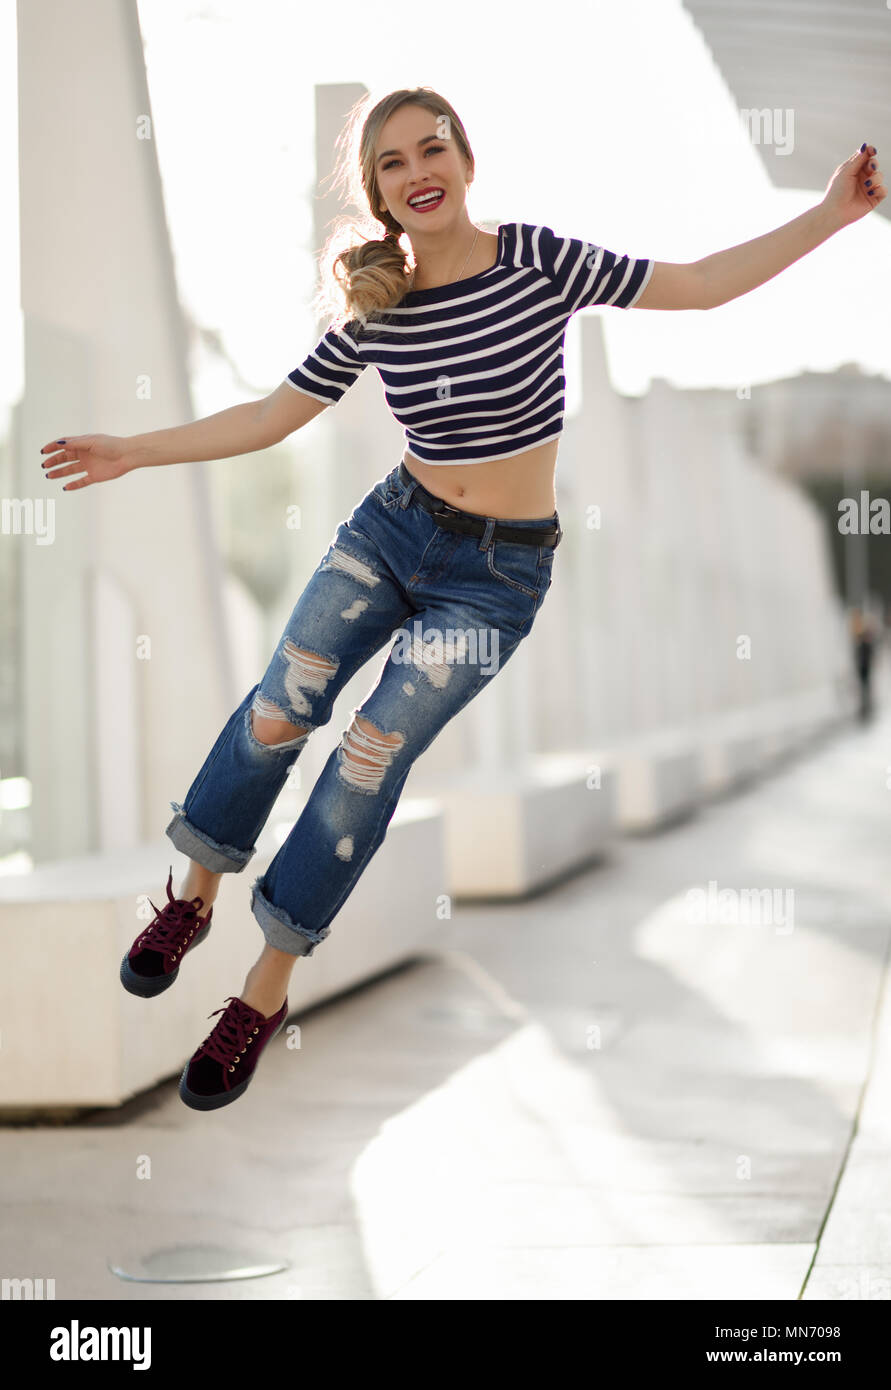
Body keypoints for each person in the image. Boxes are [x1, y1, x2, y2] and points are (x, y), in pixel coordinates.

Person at [39, 87, 885, 1109]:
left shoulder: (539, 260)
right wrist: (136, 448)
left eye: (429, 147)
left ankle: (262, 994)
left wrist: (831, 215)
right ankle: (194, 896)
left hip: (498, 577)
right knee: (281, 705)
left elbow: (699, 284)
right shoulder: (377, 304)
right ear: (383, 195)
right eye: (391, 163)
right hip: (393, 532)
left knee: (369, 754)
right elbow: (272, 415)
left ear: (465, 159)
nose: (415, 169)